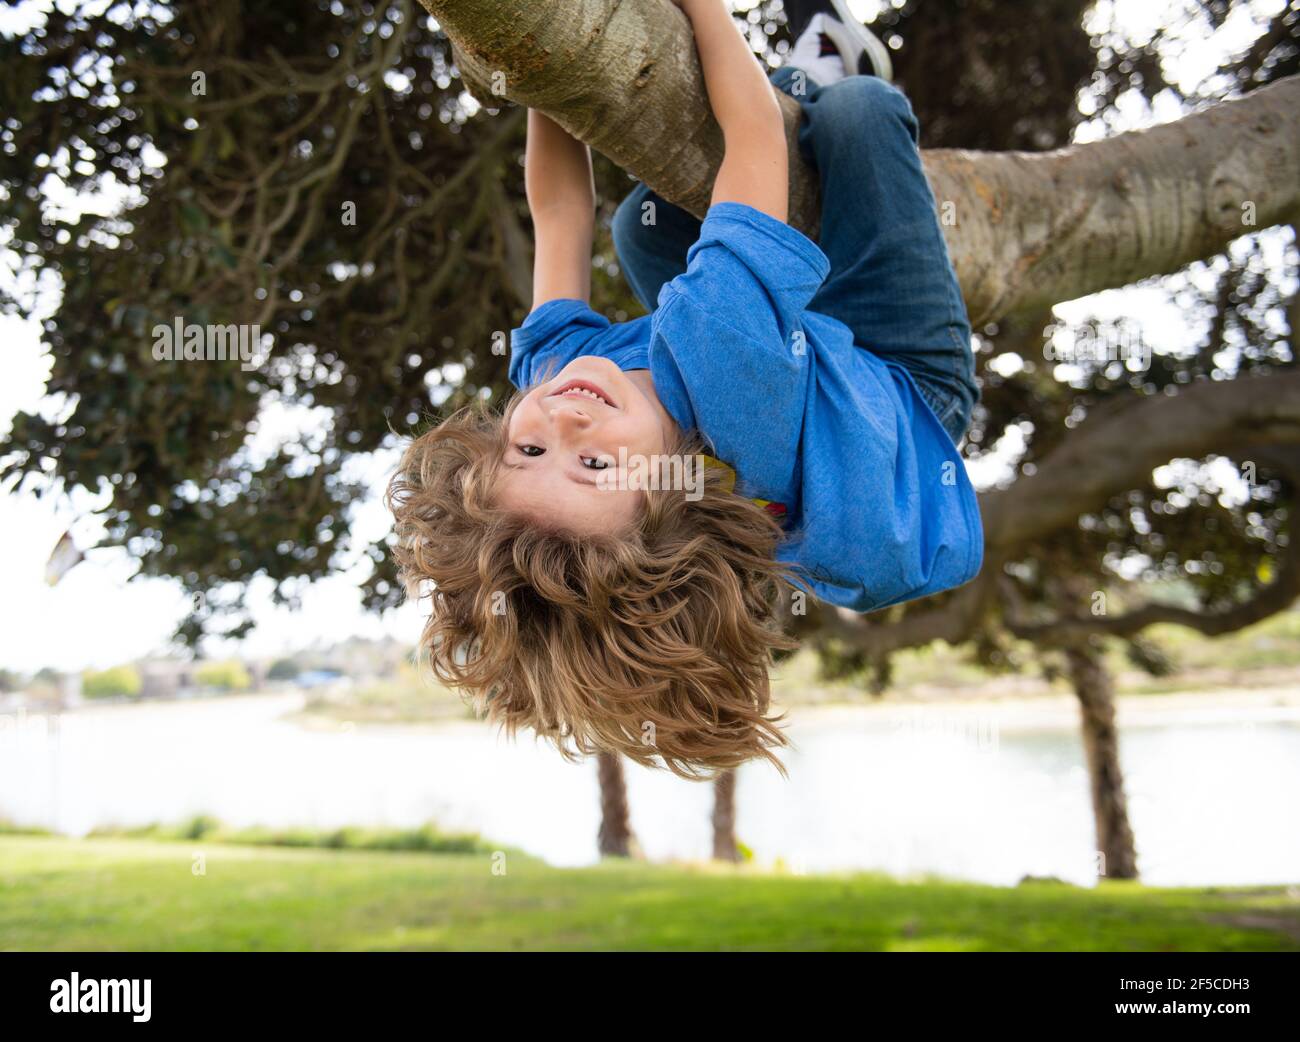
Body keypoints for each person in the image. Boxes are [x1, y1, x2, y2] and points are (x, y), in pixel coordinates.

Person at [389, 0, 982, 778]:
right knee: (856, 119)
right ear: (680, 496)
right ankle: (831, 56)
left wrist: (544, 67)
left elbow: (560, 215)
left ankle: (773, 265)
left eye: (527, 449)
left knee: (641, 223)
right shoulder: (723, 355)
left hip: (794, 373)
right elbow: (754, 137)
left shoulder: (554, 380)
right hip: (899, 381)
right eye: (594, 468)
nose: (564, 424)